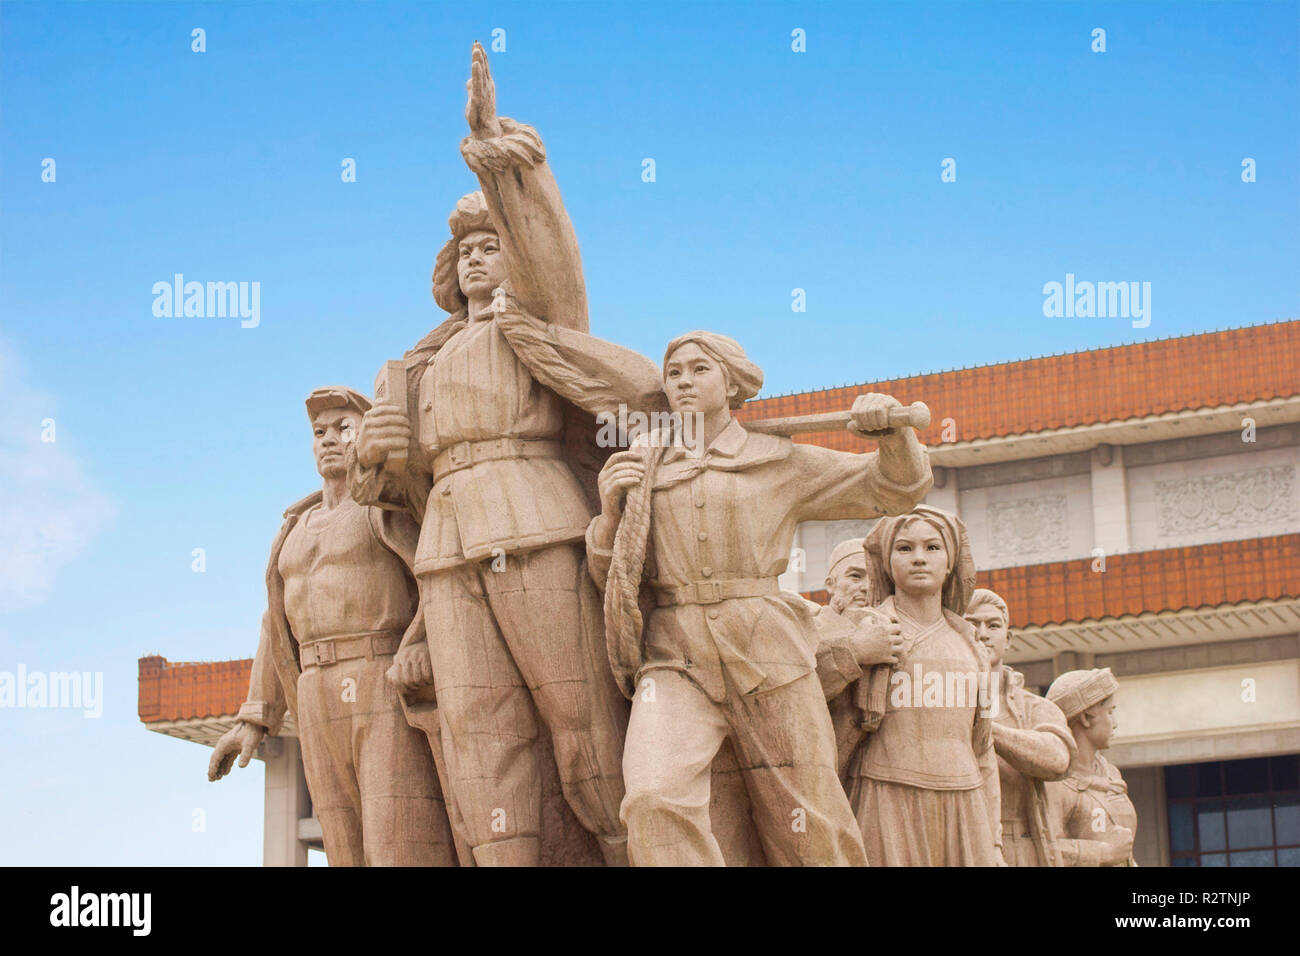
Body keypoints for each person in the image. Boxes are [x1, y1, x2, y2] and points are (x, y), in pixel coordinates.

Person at [349, 44, 633, 866]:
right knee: (483, 737)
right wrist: (380, 459)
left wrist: (499, 157)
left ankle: (625, 849)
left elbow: (553, 254)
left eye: (493, 245)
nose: (479, 257)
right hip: (446, 546)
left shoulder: (538, 325)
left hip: (535, 519)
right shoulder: (417, 363)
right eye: (467, 250)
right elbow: (397, 488)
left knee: (582, 725)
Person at [587, 330, 932, 865]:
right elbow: (613, 575)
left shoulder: (778, 459)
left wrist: (891, 436)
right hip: (675, 655)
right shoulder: (647, 465)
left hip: (767, 648)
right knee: (653, 796)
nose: (683, 381)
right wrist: (611, 511)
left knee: (809, 814)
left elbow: (892, 489)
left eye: (699, 369)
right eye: (674, 372)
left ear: (732, 383)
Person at [208, 387, 457, 866]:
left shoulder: (387, 508)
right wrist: (254, 718)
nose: (330, 440)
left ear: (366, 435)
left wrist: (421, 641)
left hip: (378, 677)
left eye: (344, 428)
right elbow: (275, 623)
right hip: (313, 692)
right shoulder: (294, 529)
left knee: (399, 834)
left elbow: (437, 576)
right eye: (319, 432)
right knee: (343, 842)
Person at [845, 505, 1004, 866]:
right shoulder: (863, 629)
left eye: (932, 548)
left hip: (964, 800)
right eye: (905, 548)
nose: (919, 558)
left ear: (950, 562)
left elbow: (984, 750)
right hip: (886, 794)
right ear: (887, 562)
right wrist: (856, 651)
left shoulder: (972, 646)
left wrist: (993, 843)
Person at [965, 588, 1073, 866]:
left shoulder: (1035, 707)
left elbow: (1056, 760)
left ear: (1008, 638)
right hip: (959, 837)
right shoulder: (935, 700)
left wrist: (987, 727)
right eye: (972, 624)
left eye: (993, 625)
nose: (983, 633)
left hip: (1021, 844)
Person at [1046, 668, 1138, 866]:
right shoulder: (1056, 782)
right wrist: (1101, 853)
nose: (1115, 724)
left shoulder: (1110, 772)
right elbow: (1045, 847)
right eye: (1110, 712)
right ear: (1086, 718)